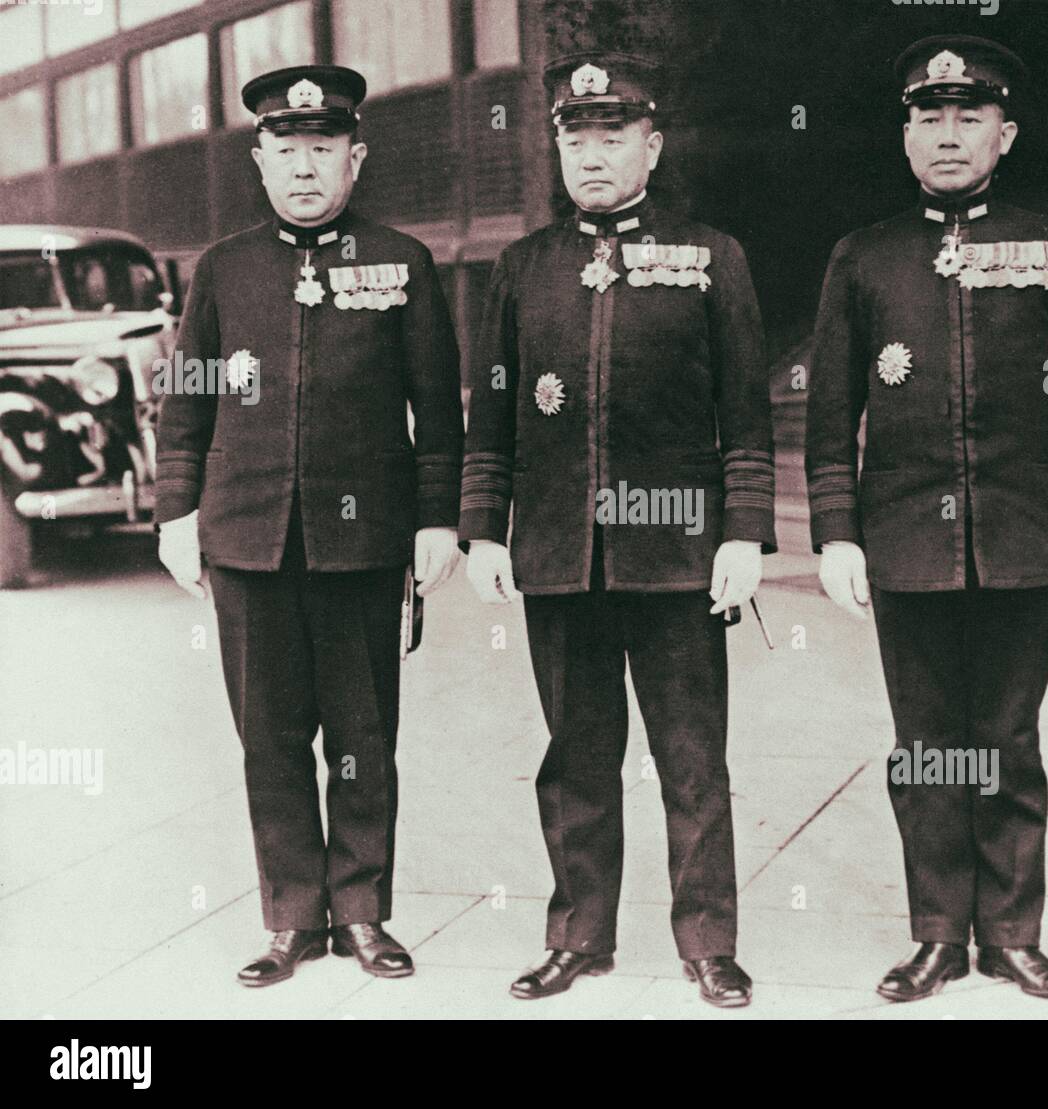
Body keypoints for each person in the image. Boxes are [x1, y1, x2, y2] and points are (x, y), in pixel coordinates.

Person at [804, 35, 1048, 1002]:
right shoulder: (863, 257)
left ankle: (1015, 931)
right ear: (906, 136)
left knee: (1009, 738)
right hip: (904, 542)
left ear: (1007, 133)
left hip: (1027, 533)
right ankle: (940, 931)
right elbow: (830, 415)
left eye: (970, 116)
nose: (949, 136)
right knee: (929, 743)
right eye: (929, 117)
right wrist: (836, 531)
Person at [459, 51, 776, 1008]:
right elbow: (495, 416)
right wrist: (482, 526)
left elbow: (746, 417)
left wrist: (742, 533)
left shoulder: (711, 257)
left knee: (691, 758)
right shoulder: (522, 268)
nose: (592, 156)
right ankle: (579, 935)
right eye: (576, 138)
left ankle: (708, 941)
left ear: (653, 144)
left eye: (612, 136)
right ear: (557, 149)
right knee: (576, 759)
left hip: (675, 553)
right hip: (558, 552)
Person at [155, 65, 464, 986]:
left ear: (355, 159)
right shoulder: (222, 268)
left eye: (321, 149)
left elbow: (436, 413)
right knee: (271, 737)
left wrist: (436, 521)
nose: (303, 167)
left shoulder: (402, 262)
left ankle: (364, 911)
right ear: (259, 159)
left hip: (364, 542)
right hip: (247, 540)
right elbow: (187, 404)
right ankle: (293, 917)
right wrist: (178, 510)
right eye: (285, 150)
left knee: (365, 736)